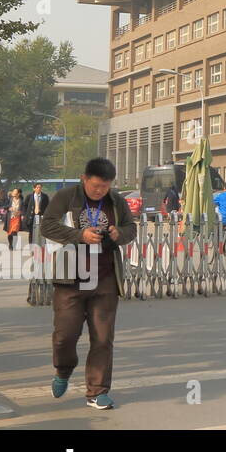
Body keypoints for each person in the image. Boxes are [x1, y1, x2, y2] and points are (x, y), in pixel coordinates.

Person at [39, 157, 137, 410]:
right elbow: (47, 226)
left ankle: (97, 391)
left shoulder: (116, 201)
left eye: (105, 187)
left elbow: (130, 228)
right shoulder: (66, 197)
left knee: (103, 338)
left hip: (104, 279)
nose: (100, 191)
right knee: (65, 336)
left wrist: (119, 234)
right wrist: (79, 235)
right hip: (70, 279)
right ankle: (63, 371)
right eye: (95, 186)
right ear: (84, 179)